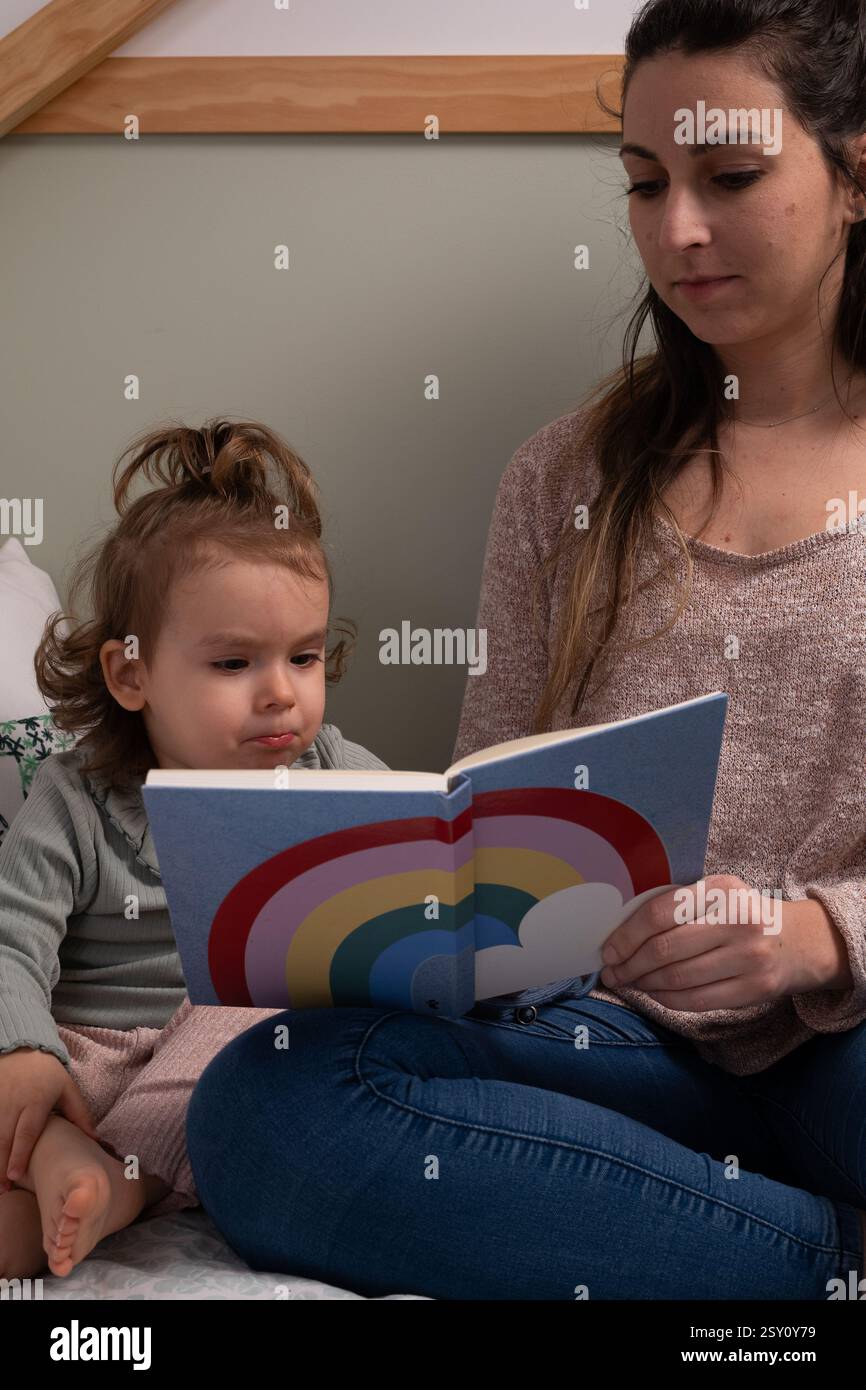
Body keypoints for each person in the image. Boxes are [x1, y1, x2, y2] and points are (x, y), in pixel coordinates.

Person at [185, 0, 866, 1298]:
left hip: (846, 1044)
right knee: (267, 1103)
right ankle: (818, 1258)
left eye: (727, 176)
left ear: (852, 172)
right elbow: (488, 820)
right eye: (642, 181)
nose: (675, 230)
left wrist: (815, 938)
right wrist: (447, 925)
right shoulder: (565, 476)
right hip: (605, 1048)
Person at [0, 417, 387, 1279]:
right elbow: (8, 943)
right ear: (130, 674)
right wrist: (23, 1049)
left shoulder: (338, 774)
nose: (281, 694)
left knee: (261, 1022)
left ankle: (112, 1187)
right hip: (81, 1060)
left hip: (220, 1064)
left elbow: (408, 884)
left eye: (304, 656)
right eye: (233, 664)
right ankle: (65, 1168)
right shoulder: (74, 799)